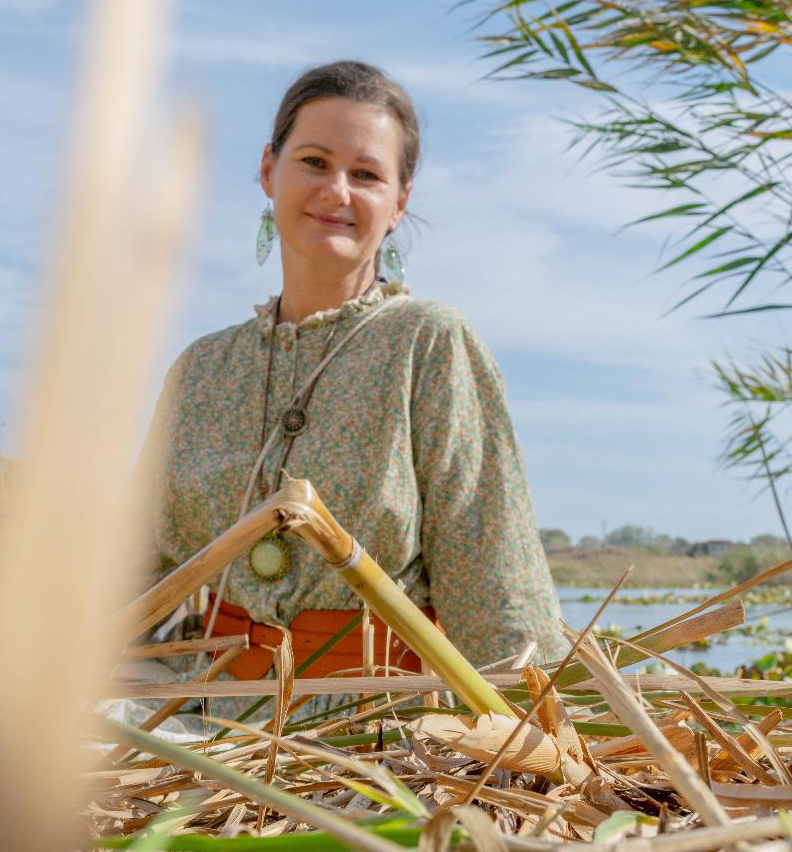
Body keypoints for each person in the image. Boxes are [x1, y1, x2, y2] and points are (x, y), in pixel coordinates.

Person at [137, 60, 567, 684]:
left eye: (365, 175)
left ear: (399, 204)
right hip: (209, 731)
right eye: (314, 161)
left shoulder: (429, 344)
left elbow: (496, 589)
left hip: (376, 744)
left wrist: (539, 743)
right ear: (268, 170)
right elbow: (127, 579)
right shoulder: (200, 370)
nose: (336, 191)